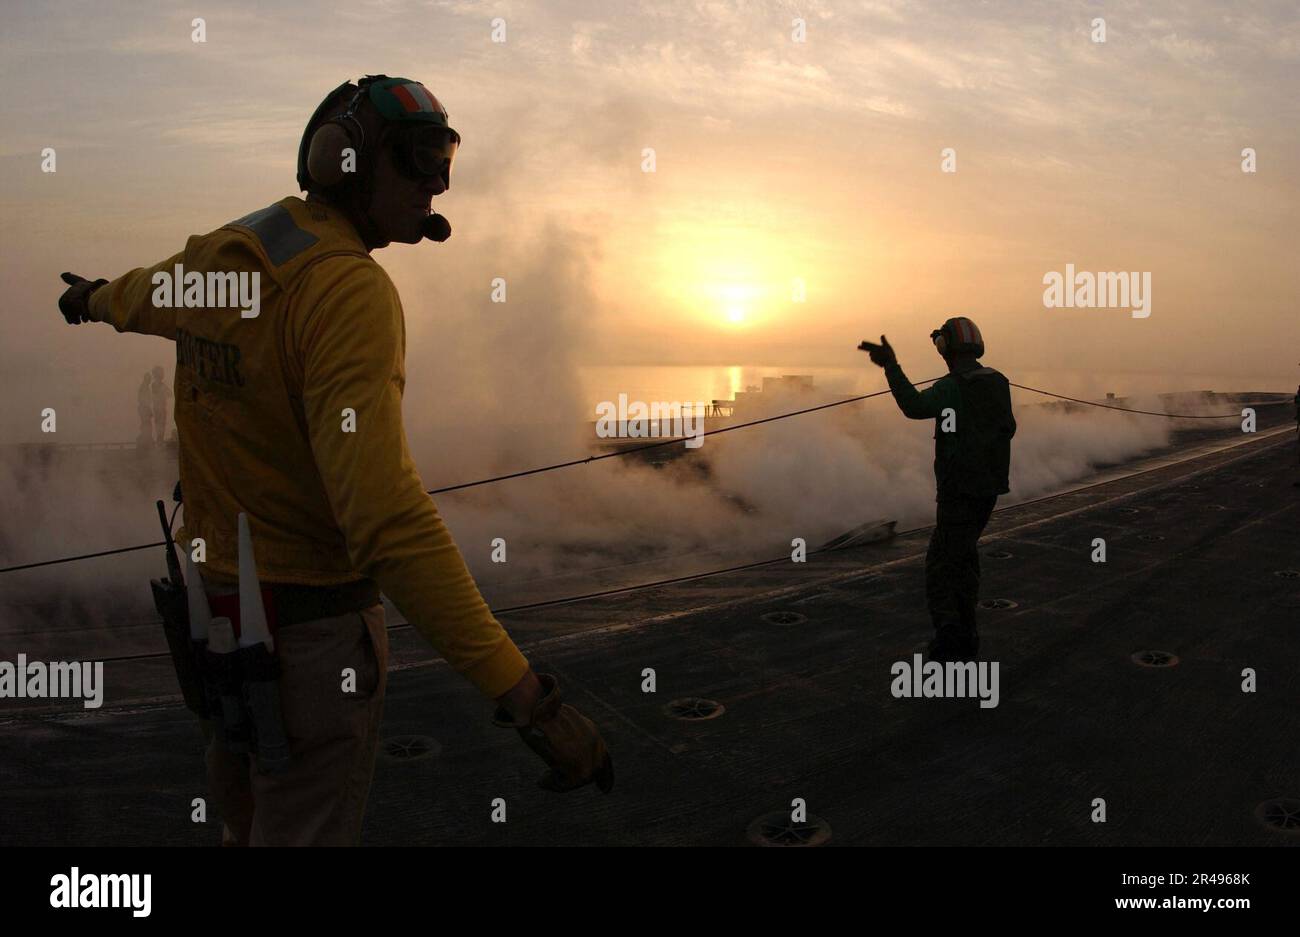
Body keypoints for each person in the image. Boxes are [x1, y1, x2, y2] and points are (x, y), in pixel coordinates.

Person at [56, 74, 612, 845]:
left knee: (241, 826)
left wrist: (87, 298)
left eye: (445, 157)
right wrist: (527, 697)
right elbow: (386, 520)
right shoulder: (350, 291)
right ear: (346, 159)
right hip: (310, 650)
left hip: (217, 629)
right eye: (419, 158)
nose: (438, 181)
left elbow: (140, 298)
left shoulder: (226, 257)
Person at [859, 318, 1016, 662]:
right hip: (988, 489)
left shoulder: (951, 387)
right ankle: (967, 634)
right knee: (965, 561)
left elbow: (913, 406)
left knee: (942, 567)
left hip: (958, 490)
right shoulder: (997, 380)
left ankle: (951, 645)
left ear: (947, 347)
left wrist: (891, 366)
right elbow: (1008, 428)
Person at [150, 364, 171, 444]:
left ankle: (160, 441)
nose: (163, 374)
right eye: (161, 372)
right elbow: (166, 393)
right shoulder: (155, 385)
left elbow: (170, 393)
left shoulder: (160, 385)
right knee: (160, 426)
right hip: (159, 408)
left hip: (161, 408)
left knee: (161, 425)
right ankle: (159, 442)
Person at [136, 372, 154, 446]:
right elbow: (142, 400)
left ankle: (147, 438)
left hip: (145, 408)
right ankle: (146, 439)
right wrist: (148, 409)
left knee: (147, 424)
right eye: (149, 379)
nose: (150, 381)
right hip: (144, 409)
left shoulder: (145, 387)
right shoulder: (143, 387)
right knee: (146, 424)